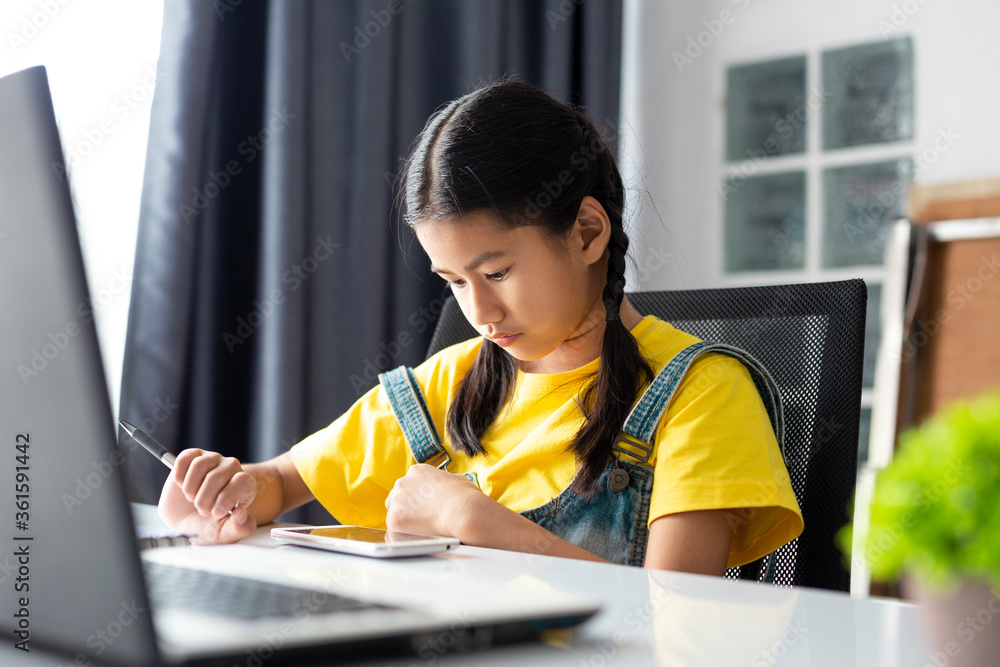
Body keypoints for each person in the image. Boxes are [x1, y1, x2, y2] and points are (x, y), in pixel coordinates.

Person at [158, 80, 803, 576]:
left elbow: (679, 624)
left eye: (496, 272)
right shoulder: (445, 387)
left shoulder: (700, 394)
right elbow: (281, 481)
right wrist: (228, 491)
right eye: (454, 282)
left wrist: (477, 522)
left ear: (586, 232)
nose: (480, 314)